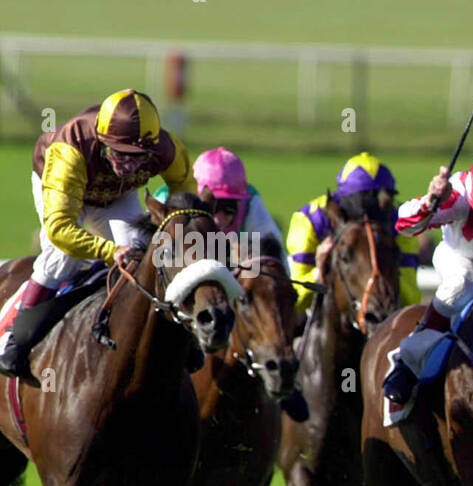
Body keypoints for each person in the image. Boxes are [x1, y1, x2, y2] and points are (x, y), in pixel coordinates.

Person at [0, 89, 197, 378]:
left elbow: (185, 186)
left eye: (138, 157)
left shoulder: (167, 149)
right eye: (120, 153)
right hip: (65, 189)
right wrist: (109, 251)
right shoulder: (69, 151)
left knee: (142, 255)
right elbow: (60, 229)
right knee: (62, 257)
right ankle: (13, 338)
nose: (128, 165)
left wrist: (177, 223)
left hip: (117, 195)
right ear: (103, 141)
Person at [380, 145, 473, 405]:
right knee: (466, 281)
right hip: (459, 257)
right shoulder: (458, 194)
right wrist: (430, 200)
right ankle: (406, 364)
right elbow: (403, 224)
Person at [284, 152, 421, 314]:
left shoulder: (399, 222)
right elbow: (296, 302)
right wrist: (319, 272)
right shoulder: (310, 220)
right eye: (370, 202)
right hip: (320, 311)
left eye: (385, 201)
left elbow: (410, 299)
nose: (378, 210)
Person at [153, 147, 287, 271]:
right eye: (211, 207)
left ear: (240, 200)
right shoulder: (166, 200)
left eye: (229, 208)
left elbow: (277, 257)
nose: (218, 219)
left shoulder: (251, 203)